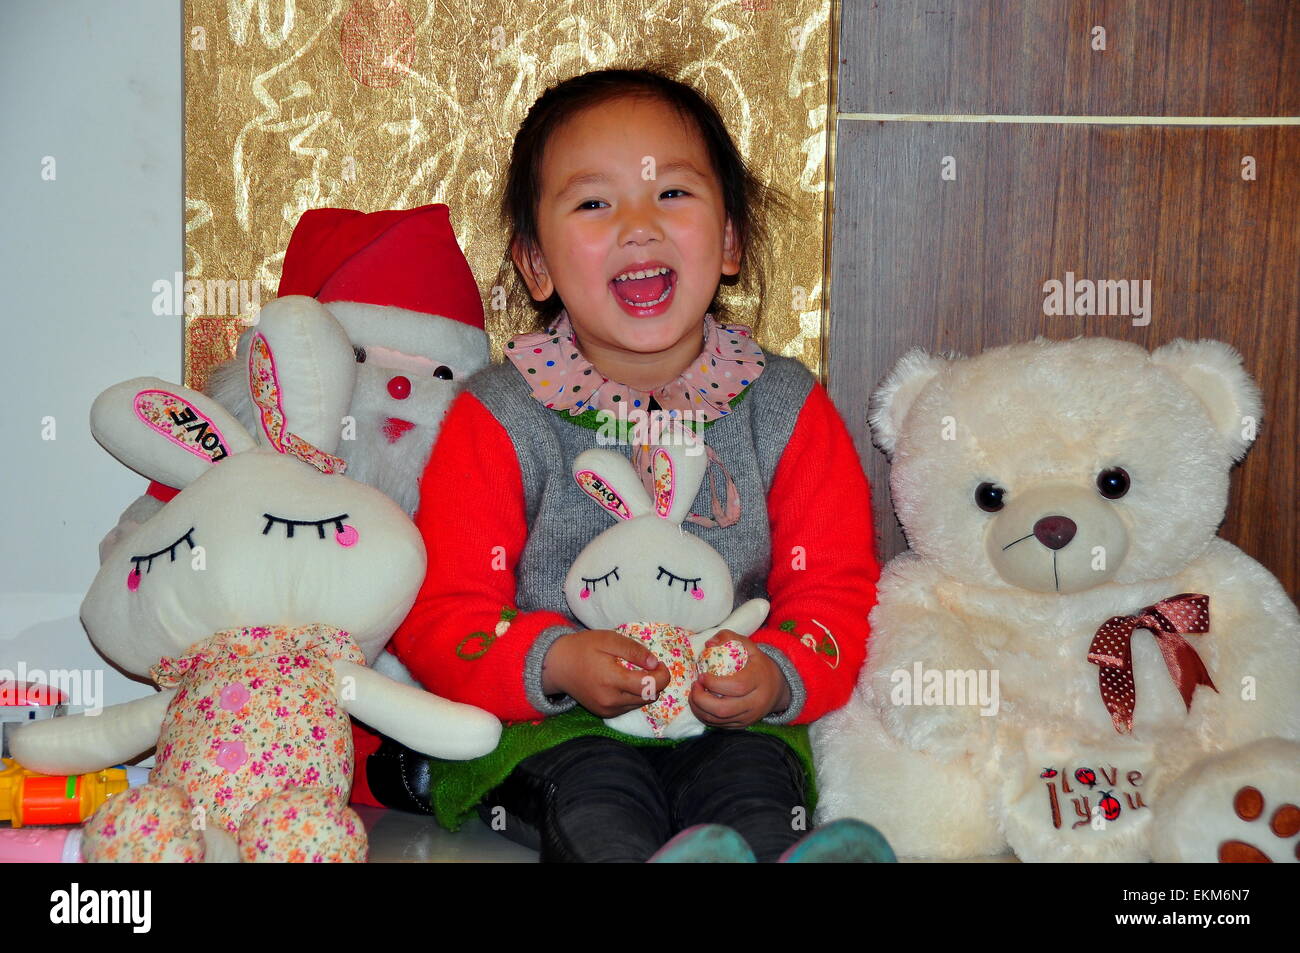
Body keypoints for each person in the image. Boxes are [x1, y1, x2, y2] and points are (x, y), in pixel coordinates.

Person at [388, 67, 887, 862]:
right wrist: (554, 659)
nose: (638, 225)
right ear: (536, 263)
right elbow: (441, 611)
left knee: (759, 790)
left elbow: (838, 591)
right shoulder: (498, 415)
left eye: (674, 195)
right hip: (558, 730)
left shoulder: (785, 406)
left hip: (730, 720)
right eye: (593, 203)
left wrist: (777, 670)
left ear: (728, 242)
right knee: (598, 799)